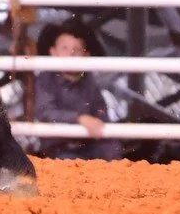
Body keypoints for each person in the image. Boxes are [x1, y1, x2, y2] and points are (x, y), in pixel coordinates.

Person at [33, 20, 122, 162]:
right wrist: (80, 119)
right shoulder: (45, 80)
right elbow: (45, 112)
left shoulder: (89, 81)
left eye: (77, 49)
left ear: (86, 55)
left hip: (90, 147)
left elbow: (101, 114)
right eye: (65, 48)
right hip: (59, 149)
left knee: (111, 151)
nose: (71, 54)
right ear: (53, 52)